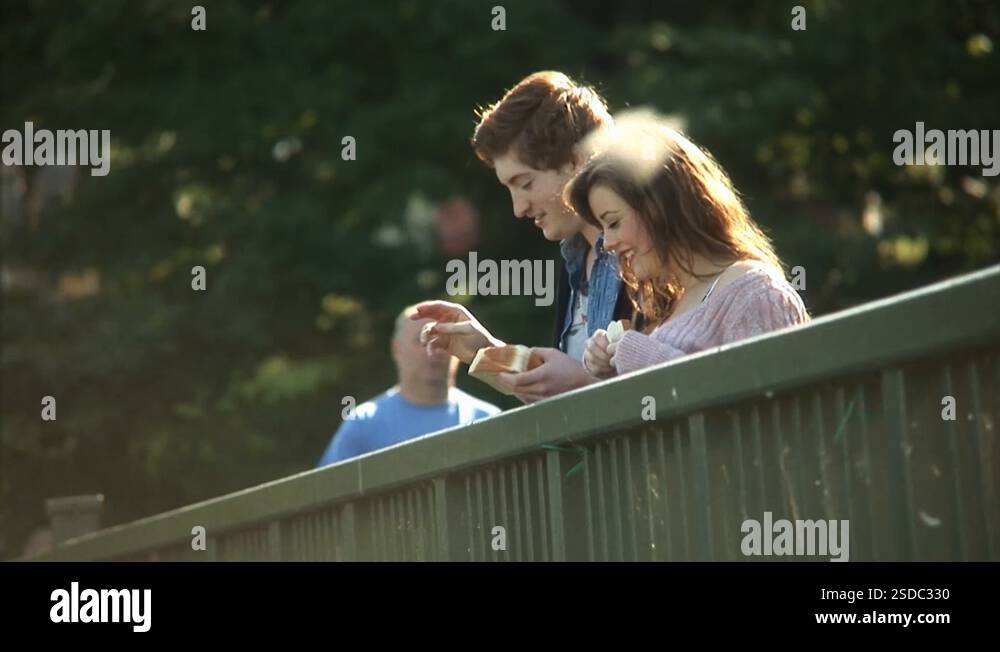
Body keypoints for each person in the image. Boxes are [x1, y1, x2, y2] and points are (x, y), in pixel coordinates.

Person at [413, 71, 635, 403]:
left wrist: (583, 386)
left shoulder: (643, 250)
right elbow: (564, 394)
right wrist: (485, 353)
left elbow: (671, 384)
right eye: (510, 189)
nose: (518, 208)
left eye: (526, 183)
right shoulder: (576, 256)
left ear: (577, 162)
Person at [563, 118, 809, 378]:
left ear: (661, 206)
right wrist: (610, 369)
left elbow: (770, 405)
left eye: (613, 222)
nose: (608, 244)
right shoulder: (668, 305)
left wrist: (639, 356)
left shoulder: (755, 293)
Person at [317, 305, 500, 466]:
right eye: (421, 340)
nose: (434, 348)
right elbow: (325, 496)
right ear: (396, 349)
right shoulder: (364, 424)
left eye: (444, 339)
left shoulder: (488, 420)